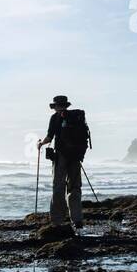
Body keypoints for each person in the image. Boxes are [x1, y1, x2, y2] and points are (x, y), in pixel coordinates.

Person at [37, 95, 91, 226]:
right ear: (66, 105)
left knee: (59, 187)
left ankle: (57, 220)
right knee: (75, 187)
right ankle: (77, 219)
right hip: (76, 156)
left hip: (61, 156)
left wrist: (40, 143)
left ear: (55, 106)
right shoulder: (76, 117)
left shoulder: (55, 118)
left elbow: (49, 138)